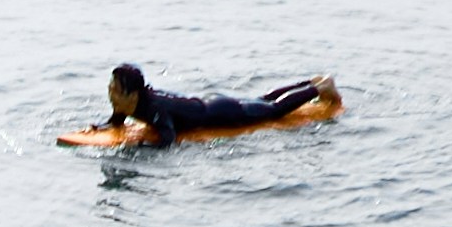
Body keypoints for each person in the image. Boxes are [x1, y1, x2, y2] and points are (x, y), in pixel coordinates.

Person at [97, 63, 339, 142]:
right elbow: (117, 117)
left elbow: (168, 136)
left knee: (272, 110)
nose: (111, 94)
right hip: (211, 103)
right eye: (110, 88)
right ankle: (310, 82)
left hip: (223, 112)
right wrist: (106, 128)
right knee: (262, 100)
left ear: (132, 95)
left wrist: (141, 147)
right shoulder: (125, 104)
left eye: (115, 91)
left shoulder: (155, 109)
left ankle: (320, 87)